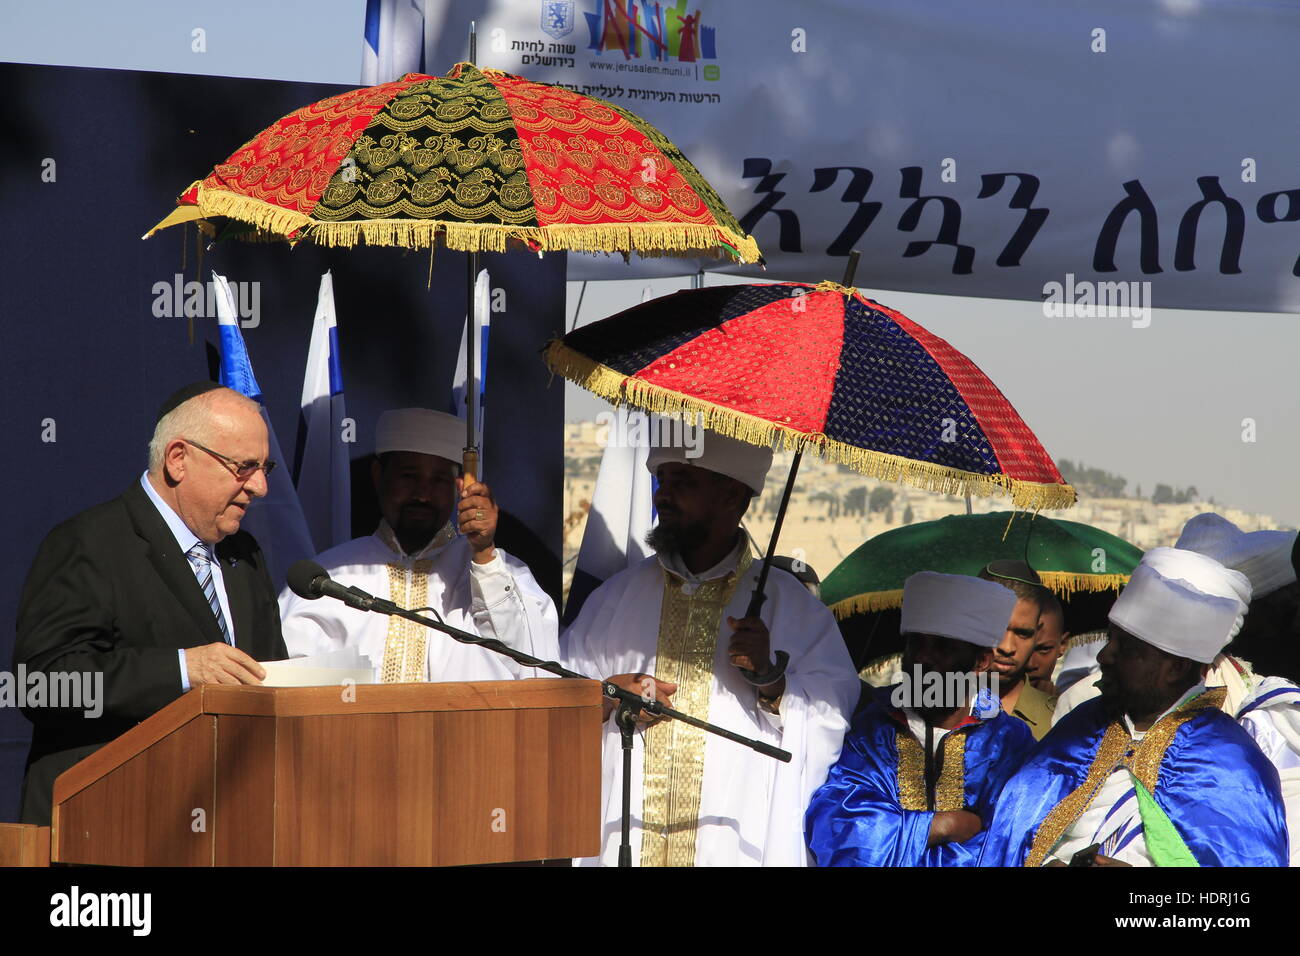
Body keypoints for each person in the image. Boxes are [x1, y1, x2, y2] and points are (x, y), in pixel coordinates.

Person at [562, 431, 860, 866]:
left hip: (734, 837)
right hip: (622, 833)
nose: (663, 497)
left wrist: (771, 679)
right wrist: (607, 693)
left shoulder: (789, 605)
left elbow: (832, 718)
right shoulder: (616, 596)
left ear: (732, 495)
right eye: (662, 482)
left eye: (682, 483)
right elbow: (559, 692)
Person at [15, 382, 287, 825]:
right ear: (178, 459)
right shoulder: (91, 542)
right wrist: (181, 670)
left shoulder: (244, 555)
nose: (260, 486)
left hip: (225, 824)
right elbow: (42, 683)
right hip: (104, 821)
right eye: (244, 467)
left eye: (264, 467)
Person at [979, 547, 1289, 867]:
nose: (1104, 657)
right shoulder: (1078, 727)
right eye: (1110, 639)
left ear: (1176, 667)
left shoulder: (1231, 762)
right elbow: (1007, 840)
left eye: (1126, 648)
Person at [278, 408, 558, 681]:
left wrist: (484, 555)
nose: (423, 494)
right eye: (409, 477)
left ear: (458, 486)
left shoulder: (501, 571)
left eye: (439, 480)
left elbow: (529, 662)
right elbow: (290, 676)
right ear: (379, 476)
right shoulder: (329, 575)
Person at [805, 572, 1035, 866]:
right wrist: (941, 826)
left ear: (981, 663)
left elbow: (1009, 844)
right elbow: (839, 828)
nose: (924, 659)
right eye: (916, 645)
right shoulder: (873, 728)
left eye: (943, 648)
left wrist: (898, 831)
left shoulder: (1008, 741)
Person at [978, 561, 1056, 739]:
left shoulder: (1061, 722)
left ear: (1037, 632)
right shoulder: (934, 709)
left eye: (1023, 633)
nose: (1007, 647)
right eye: (995, 629)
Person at [1027, 591, 1069, 695]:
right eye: (1021, 649)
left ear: (1062, 645)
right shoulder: (984, 696)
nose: (1030, 664)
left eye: (1044, 649)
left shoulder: (1070, 705)